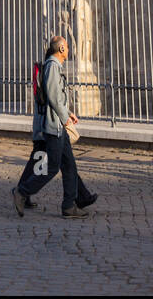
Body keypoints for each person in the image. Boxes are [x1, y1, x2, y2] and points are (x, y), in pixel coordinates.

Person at [11, 35, 98, 219]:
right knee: (51, 167)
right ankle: (22, 192)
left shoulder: (55, 66)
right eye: (66, 46)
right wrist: (65, 118)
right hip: (54, 126)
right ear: (60, 49)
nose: (68, 49)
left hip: (58, 125)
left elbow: (58, 97)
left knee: (70, 167)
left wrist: (69, 113)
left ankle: (70, 205)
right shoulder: (52, 66)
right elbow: (53, 96)